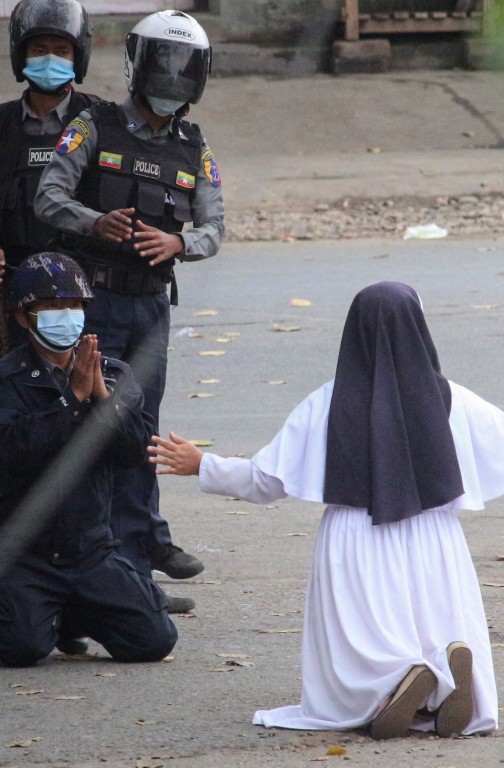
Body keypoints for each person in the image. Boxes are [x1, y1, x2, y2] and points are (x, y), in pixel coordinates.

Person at [148, 281, 504, 739]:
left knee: (360, 629)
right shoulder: (451, 401)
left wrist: (203, 465)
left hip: (351, 537)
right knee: (433, 614)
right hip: (433, 536)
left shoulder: (325, 403)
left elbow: (267, 479)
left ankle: (390, 685)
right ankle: (439, 686)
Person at [35, 9, 225, 610]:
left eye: (182, 66)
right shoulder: (92, 126)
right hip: (95, 303)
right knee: (91, 429)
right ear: (138, 64)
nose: (171, 77)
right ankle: (91, 565)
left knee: (140, 432)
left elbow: (214, 228)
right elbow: (50, 197)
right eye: (162, 63)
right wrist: (98, 222)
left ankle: (139, 566)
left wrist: (179, 244)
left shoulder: (196, 149)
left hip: (149, 310)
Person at [0, 252, 177, 667]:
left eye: (74, 306)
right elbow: (14, 450)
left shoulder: (111, 373)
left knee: (153, 641)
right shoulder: (7, 379)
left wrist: (101, 400)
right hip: (27, 549)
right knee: (21, 648)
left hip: (90, 548)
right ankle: (44, 615)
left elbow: (135, 452)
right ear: (24, 318)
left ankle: (73, 613)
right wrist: (72, 401)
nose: (66, 316)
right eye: (52, 308)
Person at [0, 0, 97, 351]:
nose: (50, 59)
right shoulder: (3, 124)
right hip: (14, 295)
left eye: (61, 50)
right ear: (20, 55)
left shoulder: (102, 121)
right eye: (39, 49)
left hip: (82, 294)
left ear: (78, 56)